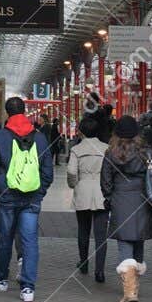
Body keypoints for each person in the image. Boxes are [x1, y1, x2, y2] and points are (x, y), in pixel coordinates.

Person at [0, 95, 52, 302]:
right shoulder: (39, 137)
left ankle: (0, 277)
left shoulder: (0, 136)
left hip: (7, 195)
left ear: (7, 113)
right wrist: (40, 191)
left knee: (6, 236)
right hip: (32, 197)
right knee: (30, 240)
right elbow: (47, 169)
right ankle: (28, 287)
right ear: (24, 111)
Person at [101, 116, 152, 302]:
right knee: (138, 240)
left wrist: (109, 196)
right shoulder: (146, 152)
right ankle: (135, 285)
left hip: (120, 199)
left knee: (125, 242)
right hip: (142, 198)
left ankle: (130, 291)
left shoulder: (111, 153)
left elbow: (106, 180)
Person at [66, 115, 109, 283]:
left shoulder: (77, 150)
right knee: (101, 235)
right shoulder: (106, 148)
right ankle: (100, 271)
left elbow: (70, 172)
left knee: (83, 231)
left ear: (81, 132)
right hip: (101, 193)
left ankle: (83, 263)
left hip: (83, 190)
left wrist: (74, 185)